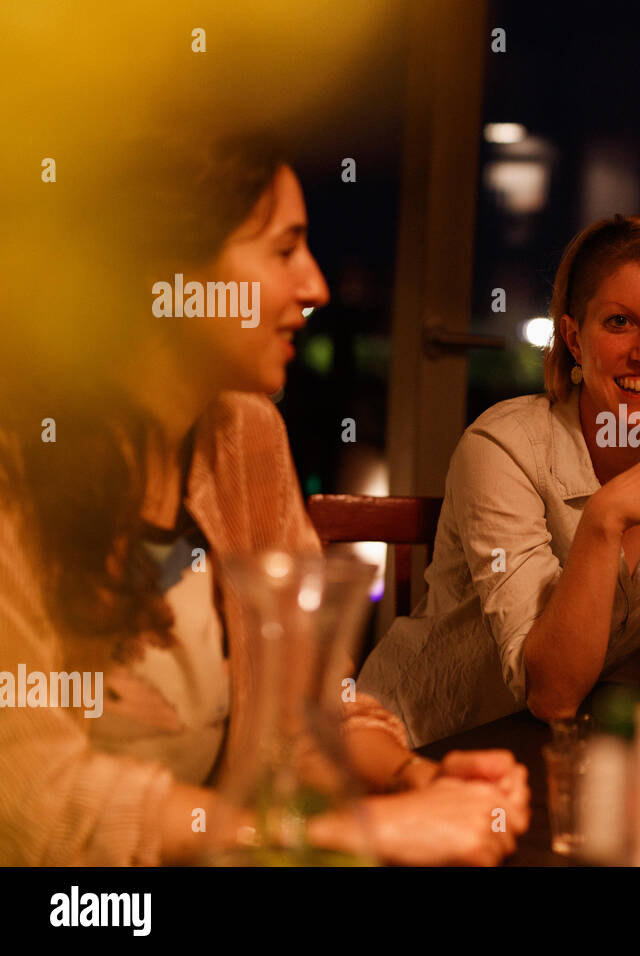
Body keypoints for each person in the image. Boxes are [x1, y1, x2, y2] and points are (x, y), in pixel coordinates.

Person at [0, 131, 528, 865]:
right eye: (284, 251)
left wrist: (415, 779)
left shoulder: (244, 437)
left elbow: (303, 709)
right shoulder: (18, 463)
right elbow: (32, 799)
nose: (315, 287)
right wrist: (331, 833)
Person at [360, 214, 640, 746]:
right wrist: (606, 518)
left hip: (569, 758)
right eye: (619, 322)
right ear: (574, 339)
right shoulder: (503, 447)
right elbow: (553, 694)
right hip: (421, 745)